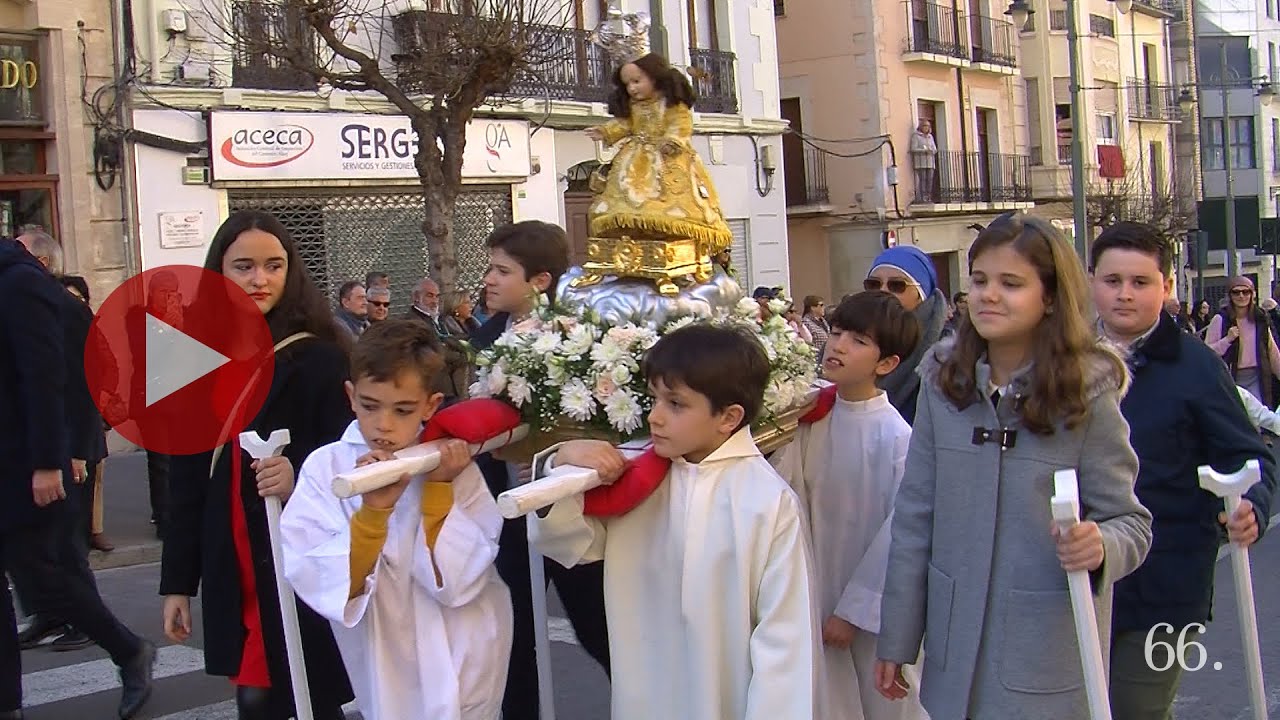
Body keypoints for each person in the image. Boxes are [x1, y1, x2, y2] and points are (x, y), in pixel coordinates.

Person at [874, 212, 1153, 719]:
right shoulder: (942, 383)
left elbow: (1131, 523)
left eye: (1011, 283)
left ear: (1049, 297)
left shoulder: (1086, 393)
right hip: (955, 651)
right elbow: (915, 517)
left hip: (1042, 654)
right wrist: (897, 636)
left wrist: (1100, 544)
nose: (988, 295)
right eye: (979, 280)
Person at [530, 324, 817, 720]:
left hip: (727, 700)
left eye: (676, 404)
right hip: (645, 694)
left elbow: (784, 642)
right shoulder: (640, 480)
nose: (655, 417)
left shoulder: (767, 503)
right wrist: (559, 463)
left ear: (728, 417)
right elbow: (569, 544)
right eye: (654, 399)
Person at [160, 211, 355, 720]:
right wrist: (178, 582)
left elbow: (351, 453)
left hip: (296, 553)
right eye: (243, 266)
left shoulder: (322, 358)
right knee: (261, 690)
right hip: (232, 551)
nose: (259, 280)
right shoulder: (194, 357)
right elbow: (183, 478)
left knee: (305, 694)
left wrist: (301, 478)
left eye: (273, 265)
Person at [1088, 222, 1275, 719]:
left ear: (1166, 288)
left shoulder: (1195, 366)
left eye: (1140, 282)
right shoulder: (1066, 362)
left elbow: (1248, 456)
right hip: (1083, 576)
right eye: (1112, 281)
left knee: (1137, 708)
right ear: (1091, 282)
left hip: (1167, 585)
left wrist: (1251, 505)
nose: (1124, 294)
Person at [281, 320, 512, 720]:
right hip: (388, 653)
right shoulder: (328, 469)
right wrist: (374, 513)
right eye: (370, 405)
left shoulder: (447, 461)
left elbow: (465, 576)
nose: (384, 424)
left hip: (467, 643)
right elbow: (318, 573)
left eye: (403, 410)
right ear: (351, 396)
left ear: (431, 405)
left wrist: (439, 487)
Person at [0, 237, 155, 720]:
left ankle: (128, 648)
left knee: (46, 577)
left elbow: (46, 377)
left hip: (25, 467)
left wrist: (52, 460)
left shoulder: (20, 285)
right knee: (33, 578)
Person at [471, 221, 611, 720]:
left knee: (597, 626)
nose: (488, 279)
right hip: (509, 508)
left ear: (541, 280)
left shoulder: (581, 335)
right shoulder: (487, 335)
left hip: (569, 506)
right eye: (489, 267)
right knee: (512, 631)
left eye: (501, 270)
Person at [772, 292, 927, 720]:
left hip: (865, 614)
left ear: (888, 364)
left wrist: (853, 611)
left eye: (858, 341)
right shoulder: (811, 418)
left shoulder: (896, 438)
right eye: (837, 333)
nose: (837, 346)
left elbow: (899, 535)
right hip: (811, 591)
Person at [10, 233, 110, 652]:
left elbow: (86, 385)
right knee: (37, 547)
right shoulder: (26, 304)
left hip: (69, 450)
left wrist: (75, 451)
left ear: (43, 261)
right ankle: (48, 615)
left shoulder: (67, 310)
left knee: (69, 545)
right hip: (39, 450)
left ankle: (85, 622)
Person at [583, 53, 732, 270]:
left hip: (668, 157)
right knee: (627, 198)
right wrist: (606, 131)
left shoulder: (670, 102)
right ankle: (638, 239)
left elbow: (680, 123)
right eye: (627, 84)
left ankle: (669, 242)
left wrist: (672, 141)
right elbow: (626, 125)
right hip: (636, 160)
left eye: (637, 81)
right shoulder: (634, 106)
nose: (632, 89)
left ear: (654, 76)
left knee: (670, 198)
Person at [863, 246, 949, 424]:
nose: (883, 291)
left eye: (897, 285)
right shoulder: (852, 335)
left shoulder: (946, 351)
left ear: (921, 295)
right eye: (874, 284)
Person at [1205, 276, 1280, 407]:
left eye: (1246, 292)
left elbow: (1272, 351)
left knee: (1257, 417)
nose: (1241, 296)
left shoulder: (1260, 319)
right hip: (1229, 376)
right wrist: (1227, 340)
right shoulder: (1220, 319)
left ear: (1252, 295)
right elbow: (1206, 353)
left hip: (1257, 375)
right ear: (1230, 295)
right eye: (1236, 292)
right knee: (1236, 417)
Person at [909, 120, 937, 204]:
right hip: (920, 162)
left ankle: (928, 197)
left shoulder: (930, 137)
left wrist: (931, 150)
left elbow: (934, 148)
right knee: (923, 180)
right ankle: (922, 197)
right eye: (925, 126)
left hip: (930, 162)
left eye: (928, 126)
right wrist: (923, 150)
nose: (926, 128)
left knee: (930, 180)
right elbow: (913, 148)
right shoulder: (916, 136)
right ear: (921, 127)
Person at [801, 295, 831, 361]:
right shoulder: (806, 322)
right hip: (815, 358)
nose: (824, 308)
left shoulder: (823, 321)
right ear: (812, 307)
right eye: (821, 305)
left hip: (825, 356)